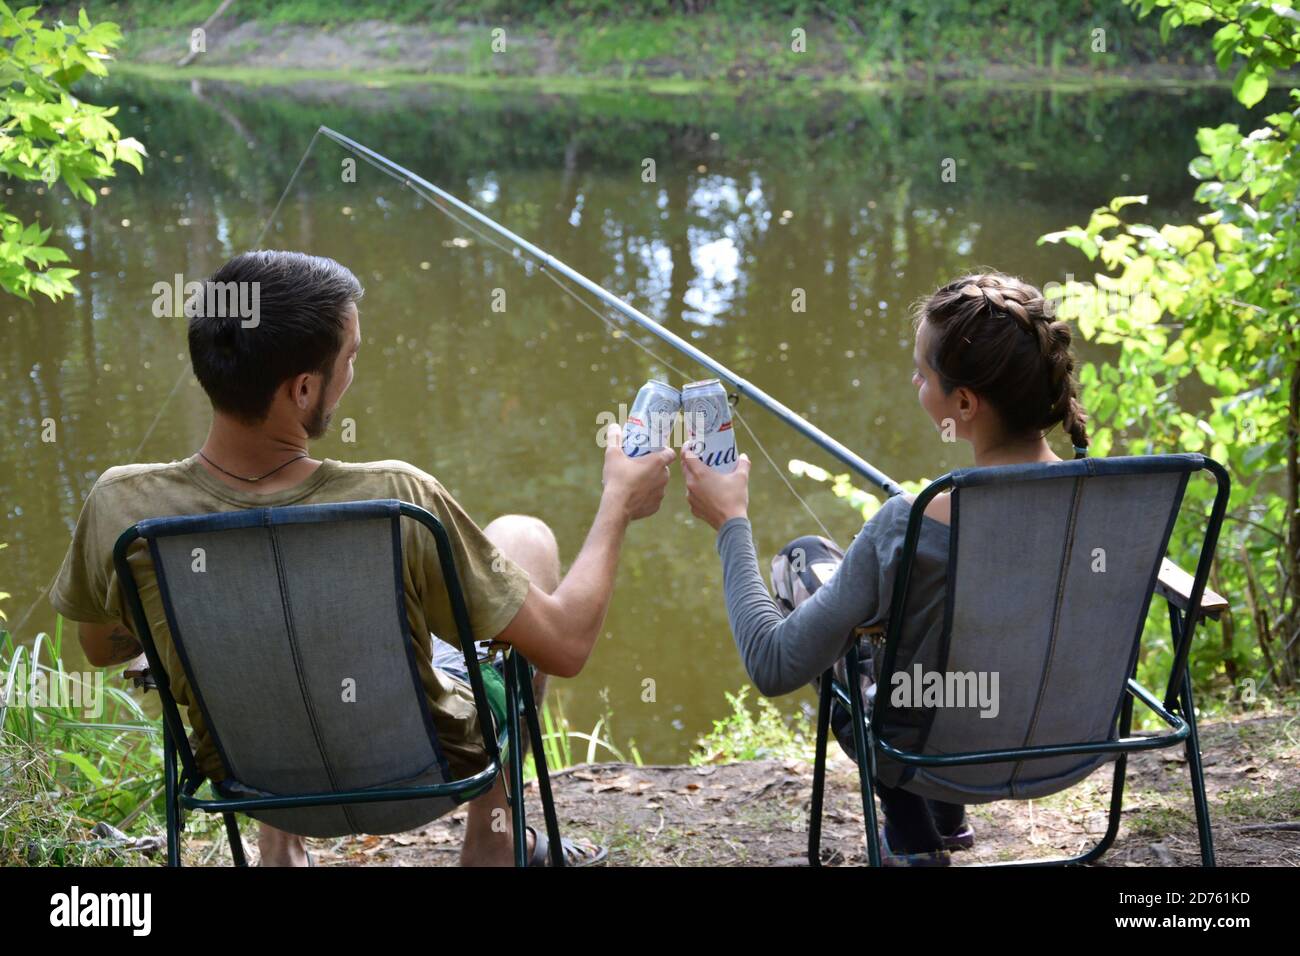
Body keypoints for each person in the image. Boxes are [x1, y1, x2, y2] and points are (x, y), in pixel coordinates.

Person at [49, 250, 674, 867]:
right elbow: (565, 646)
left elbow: (103, 649)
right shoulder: (399, 500)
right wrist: (618, 502)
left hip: (248, 779)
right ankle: (493, 838)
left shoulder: (122, 505)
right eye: (350, 357)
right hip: (419, 771)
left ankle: (279, 849)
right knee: (526, 538)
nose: (352, 374)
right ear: (301, 389)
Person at [682, 271, 1091, 866]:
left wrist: (730, 524)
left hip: (938, 749)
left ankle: (915, 834)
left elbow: (774, 664)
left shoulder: (908, 524)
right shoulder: (1108, 503)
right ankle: (947, 819)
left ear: (965, 403)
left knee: (802, 563)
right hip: (1072, 743)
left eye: (923, 373)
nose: (914, 381)